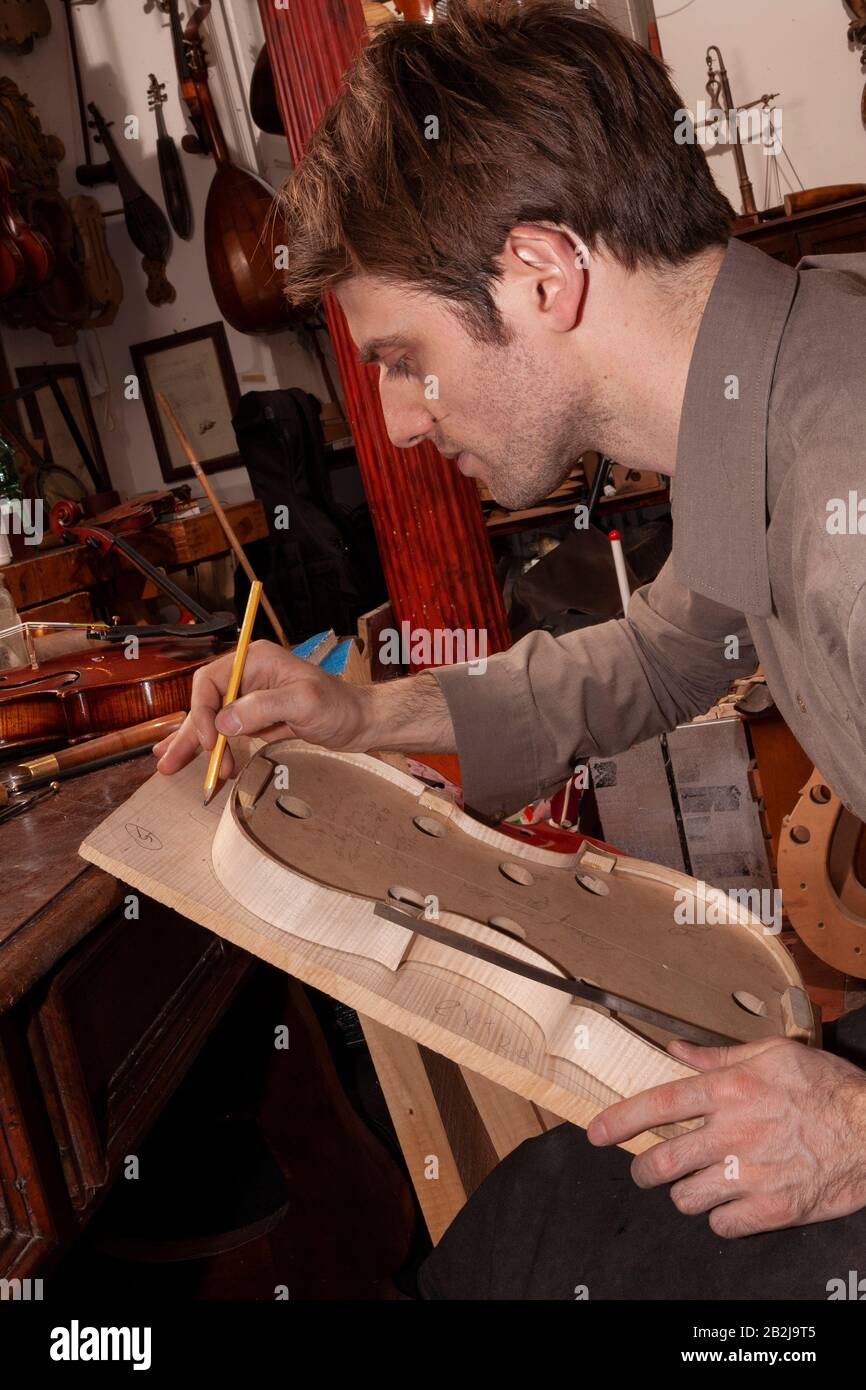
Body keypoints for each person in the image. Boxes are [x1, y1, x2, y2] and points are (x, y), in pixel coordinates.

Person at [154, 1, 866, 1298]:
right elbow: (652, 657)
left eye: (405, 359)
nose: (404, 422)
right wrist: (357, 714)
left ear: (544, 273)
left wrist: (849, 1133)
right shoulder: (759, 379)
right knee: (526, 1229)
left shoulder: (844, 493)